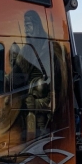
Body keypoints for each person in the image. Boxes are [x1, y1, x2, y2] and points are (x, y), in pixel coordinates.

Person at [10, 10, 52, 141]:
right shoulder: (27, 50)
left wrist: (36, 104)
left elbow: (59, 93)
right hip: (25, 113)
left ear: (37, 25)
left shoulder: (51, 50)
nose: (26, 30)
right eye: (24, 26)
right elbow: (14, 79)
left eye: (28, 25)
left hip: (44, 120)